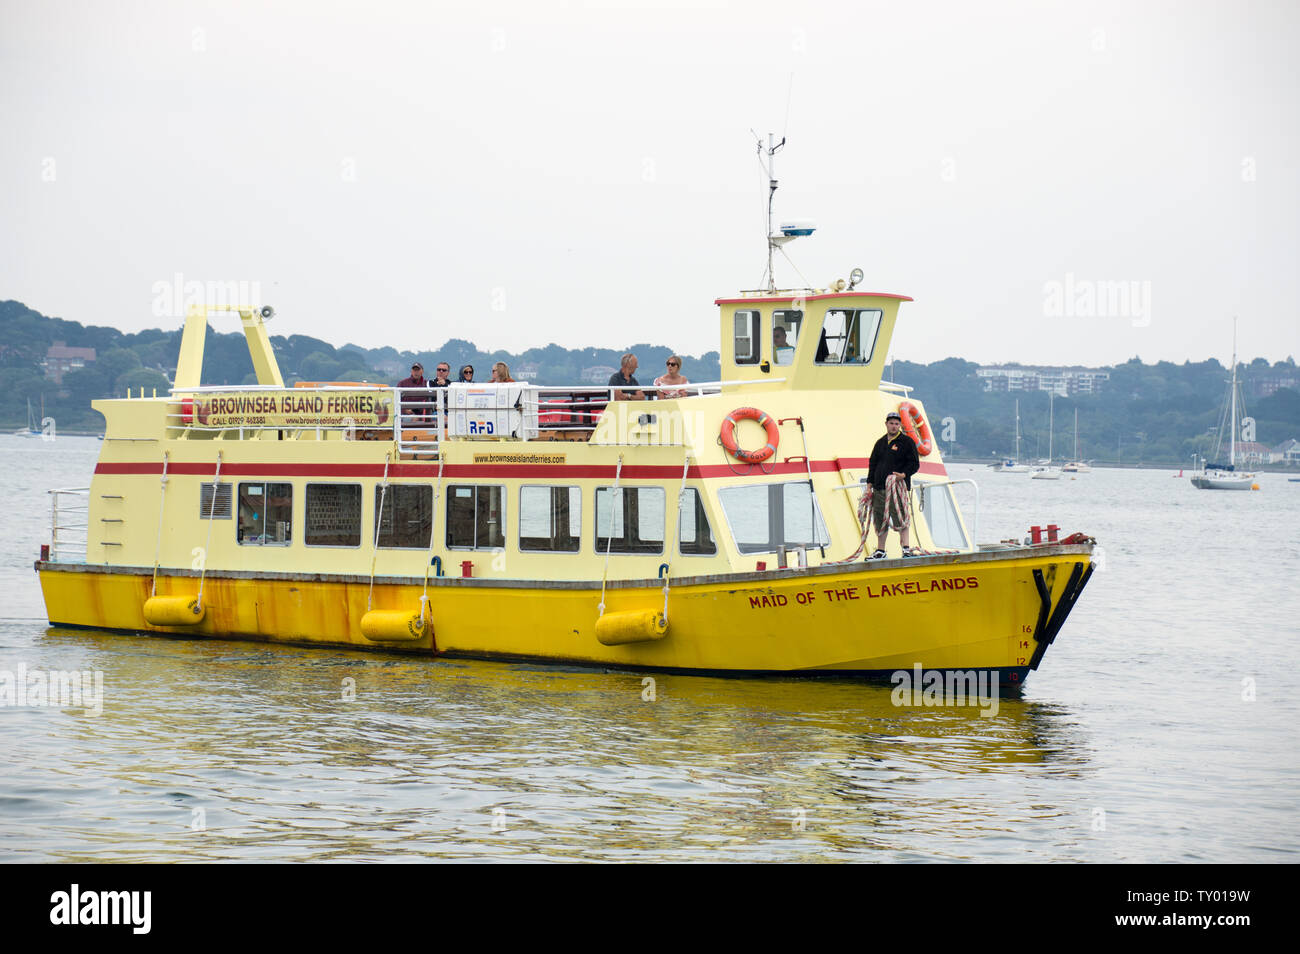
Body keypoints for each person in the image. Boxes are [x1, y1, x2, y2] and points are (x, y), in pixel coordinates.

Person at [866, 410, 920, 558]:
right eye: (891, 423)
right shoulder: (880, 443)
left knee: (902, 518)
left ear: (900, 425)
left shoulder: (907, 442)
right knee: (880, 519)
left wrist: (903, 475)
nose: (894, 426)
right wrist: (869, 483)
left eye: (897, 424)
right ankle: (881, 550)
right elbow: (873, 463)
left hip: (897, 488)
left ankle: (906, 548)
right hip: (879, 488)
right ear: (886, 424)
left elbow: (914, 464)